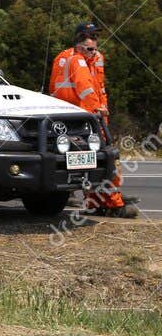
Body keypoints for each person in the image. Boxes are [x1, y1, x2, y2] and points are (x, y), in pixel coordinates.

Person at [50, 24, 137, 218]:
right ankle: (113, 204)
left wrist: (102, 109)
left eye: (96, 38)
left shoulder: (82, 59)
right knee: (106, 159)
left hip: (75, 118)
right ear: (79, 43)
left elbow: (99, 88)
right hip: (85, 118)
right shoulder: (78, 62)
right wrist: (98, 111)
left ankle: (94, 201)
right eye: (90, 39)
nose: (95, 46)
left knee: (87, 161)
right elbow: (87, 90)